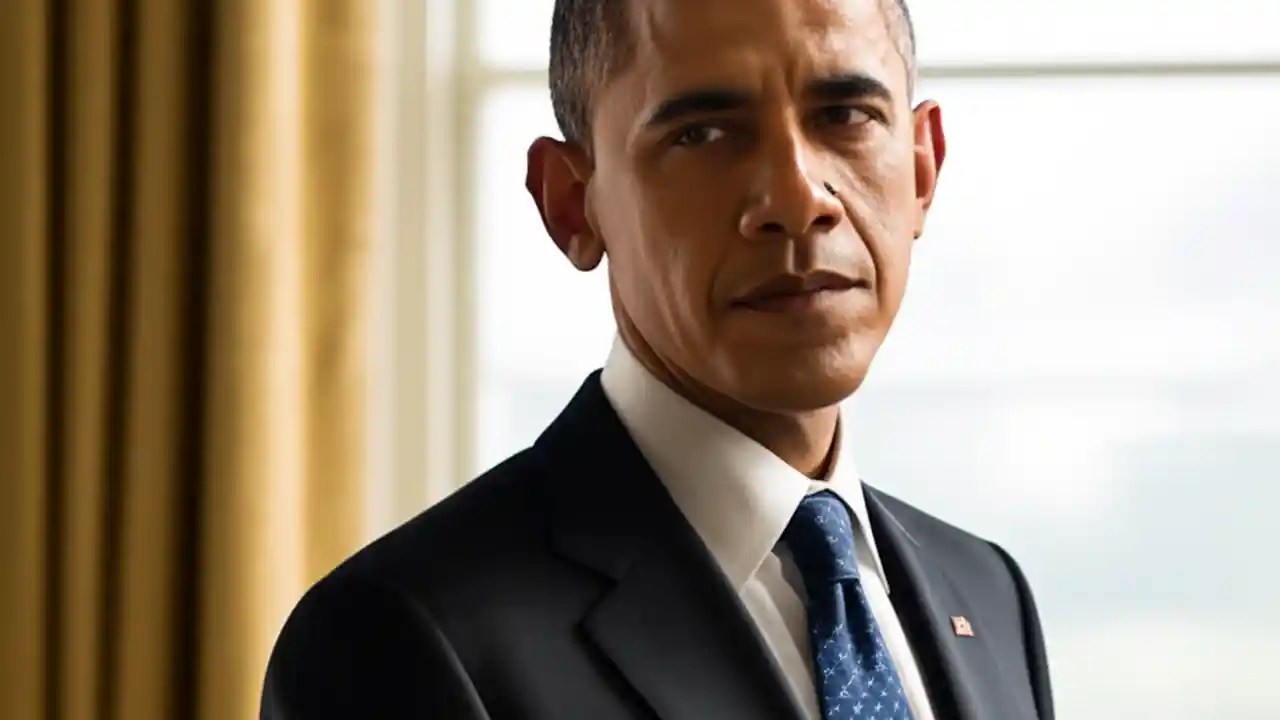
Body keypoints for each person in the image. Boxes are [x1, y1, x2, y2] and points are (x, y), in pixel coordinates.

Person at [261, 0, 1054, 717]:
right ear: (572, 203)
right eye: (702, 134)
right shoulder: (402, 636)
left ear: (922, 167)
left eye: (845, 113)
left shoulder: (988, 595)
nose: (796, 197)